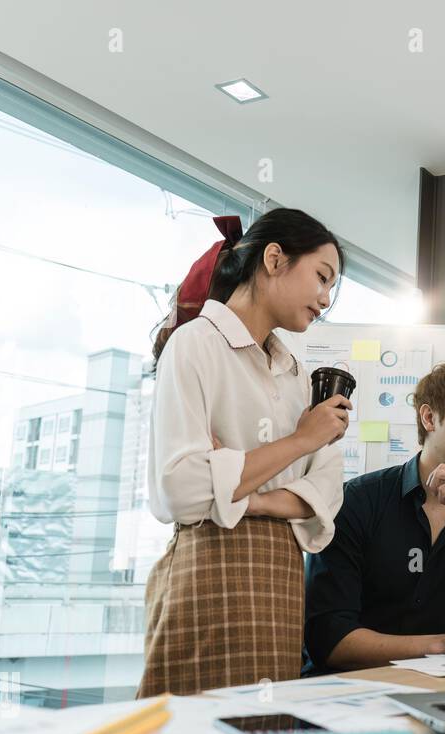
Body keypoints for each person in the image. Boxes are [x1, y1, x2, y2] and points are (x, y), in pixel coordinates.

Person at [138, 209, 351, 697]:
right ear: (274, 259)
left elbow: (326, 493)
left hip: (281, 579)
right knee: (194, 727)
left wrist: (238, 491)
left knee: (268, 729)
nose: (325, 299)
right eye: (322, 278)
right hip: (206, 571)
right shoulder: (195, 344)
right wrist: (299, 442)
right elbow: (181, 491)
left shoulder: (296, 372)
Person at [304, 359, 445, 671]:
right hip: (357, 688)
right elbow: (329, 641)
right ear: (429, 417)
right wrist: (441, 647)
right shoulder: (357, 501)